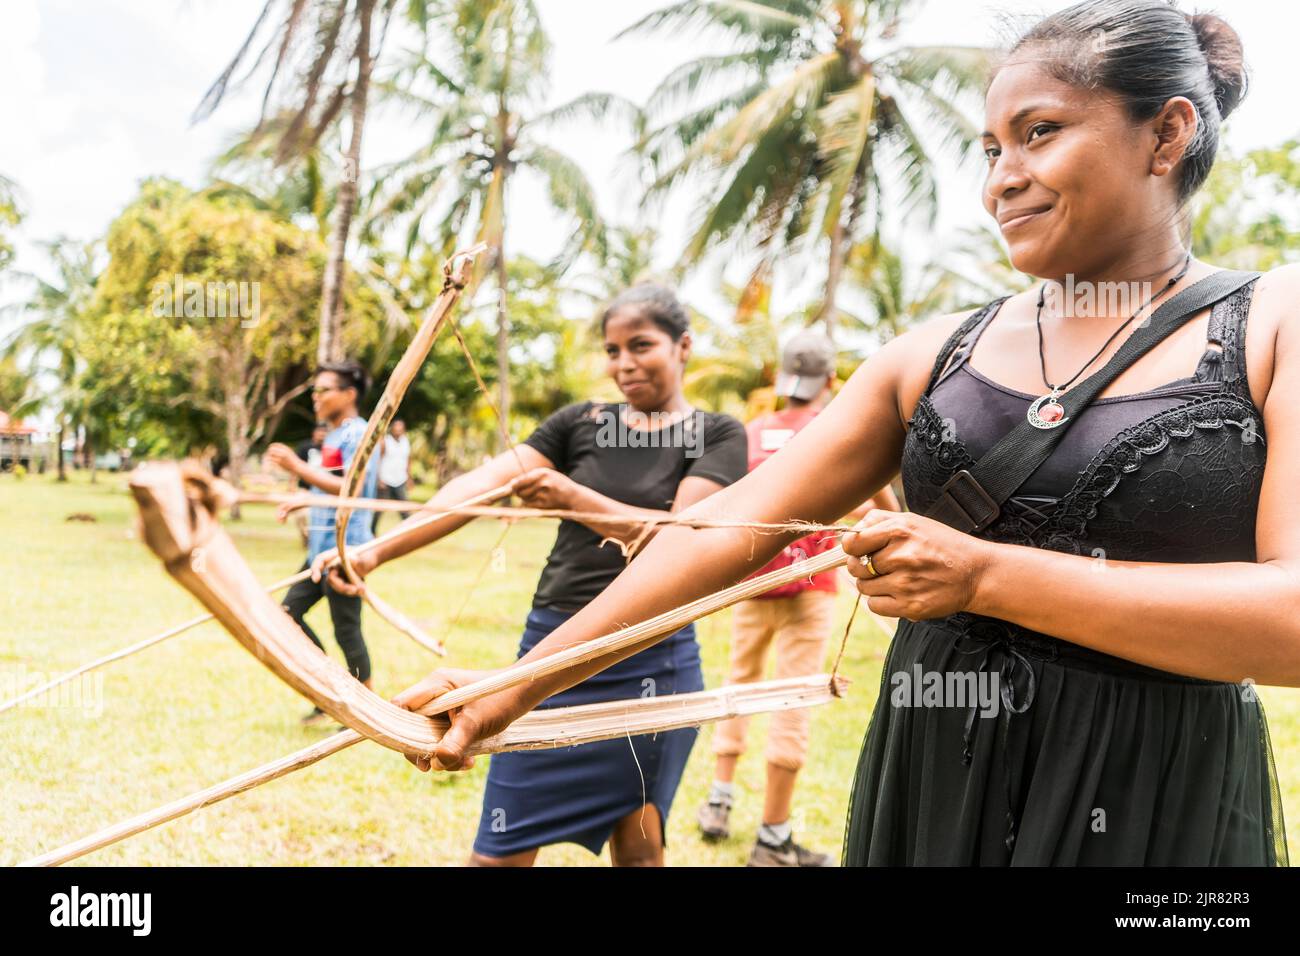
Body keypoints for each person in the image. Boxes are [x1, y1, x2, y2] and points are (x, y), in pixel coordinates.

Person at [394, 0, 1297, 866]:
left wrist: (986, 575)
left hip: (1159, 793)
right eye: (989, 148)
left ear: (1168, 134)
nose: (1001, 178)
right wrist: (512, 689)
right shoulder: (931, 356)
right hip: (939, 776)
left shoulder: (1270, 328)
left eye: (1040, 132)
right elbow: (732, 529)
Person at [314, 285, 748, 865]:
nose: (624, 364)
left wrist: (573, 495)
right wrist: (377, 549)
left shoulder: (717, 434)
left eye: (640, 346)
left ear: (684, 346)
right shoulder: (579, 423)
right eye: (612, 350)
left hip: (650, 652)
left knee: (640, 850)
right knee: (498, 851)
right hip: (550, 650)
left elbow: (687, 536)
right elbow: (476, 488)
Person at [697, 329, 901, 866]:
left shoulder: (751, 432)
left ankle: (718, 802)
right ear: (830, 380)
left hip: (751, 584)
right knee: (794, 698)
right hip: (811, 584)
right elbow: (882, 510)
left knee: (739, 683)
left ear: (781, 377)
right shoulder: (834, 432)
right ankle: (772, 836)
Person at [266, 361, 380, 725]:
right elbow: (331, 486)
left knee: (347, 629)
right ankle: (327, 690)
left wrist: (296, 469)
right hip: (318, 550)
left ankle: (368, 708)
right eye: (314, 391)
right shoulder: (333, 435)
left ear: (348, 395)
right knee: (287, 615)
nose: (315, 397)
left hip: (345, 550)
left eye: (324, 390)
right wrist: (304, 497)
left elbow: (352, 488)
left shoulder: (358, 434)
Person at [373, 418, 413, 533]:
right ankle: (372, 531)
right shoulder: (385, 441)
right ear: (392, 428)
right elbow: (378, 460)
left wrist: (409, 478)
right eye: (396, 427)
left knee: (405, 509)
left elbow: (408, 460)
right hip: (385, 480)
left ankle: (409, 531)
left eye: (401, 428)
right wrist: (379, 479)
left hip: (400, 480)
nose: (398, 430)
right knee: (379, 510)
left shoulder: (406, 442)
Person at [292, 422, 328, 546]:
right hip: (305, 489)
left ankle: (315, 539)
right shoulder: (305, 447)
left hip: (324, 491)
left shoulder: (330, 448)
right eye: (320, 432)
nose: (322, 436)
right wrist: (291, 485)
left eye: (324, 433)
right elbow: (296, 468)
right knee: (299, 514)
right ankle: (306, 538)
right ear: (314, 433)